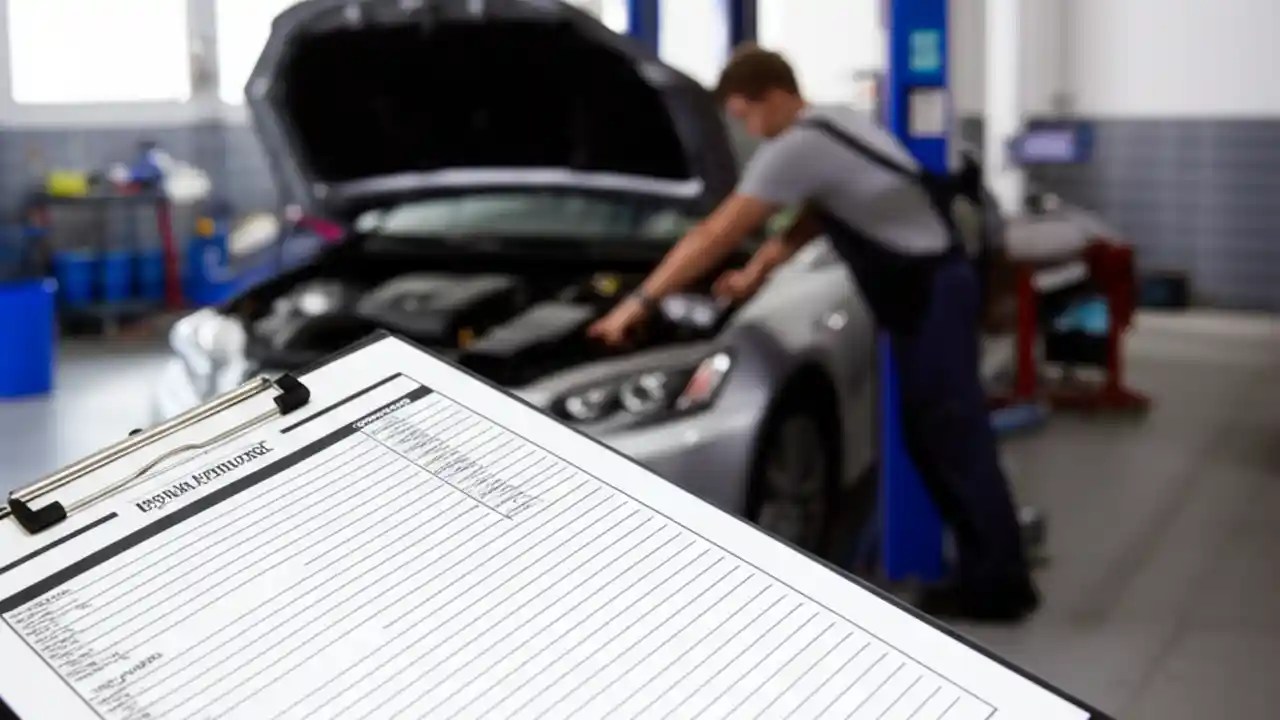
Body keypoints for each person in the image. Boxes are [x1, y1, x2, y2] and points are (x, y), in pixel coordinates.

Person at [587, 45, 1039, 621]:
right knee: (937, 437)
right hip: (936, 287)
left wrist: (639, 302)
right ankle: (990, 572)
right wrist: (756, 271)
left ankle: (1000, 585)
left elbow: (717, 232)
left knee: (955, 440)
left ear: (771, 98)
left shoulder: (799, 145)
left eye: (746, 117)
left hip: (931, 297)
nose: (749, 130)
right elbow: (819, 213)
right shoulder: (836, 122)